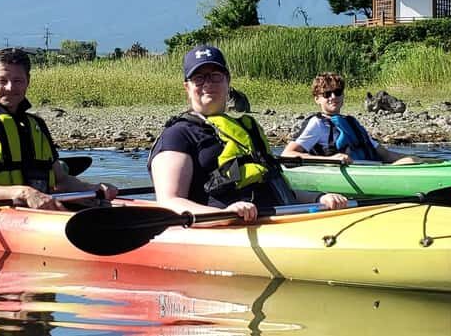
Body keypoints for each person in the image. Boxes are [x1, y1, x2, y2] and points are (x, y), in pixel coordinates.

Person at [147, 45, 348, 221]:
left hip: (275, 218)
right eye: (199, 78)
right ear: (187, 87)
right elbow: (169, 202)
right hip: (226, 226)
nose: (208, 84)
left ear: (227, 81)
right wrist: (223, 215)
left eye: (216, 76)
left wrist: (318, 198)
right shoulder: (177, 136)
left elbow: (275, 183)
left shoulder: (246, 130)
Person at [0, 48, 117, 210]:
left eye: (18, 81)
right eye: (2, 81)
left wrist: (92, 188)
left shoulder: (36, 124)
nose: (10, 87)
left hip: (39, 213)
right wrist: (24, 193)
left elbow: (61, 180)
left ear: (27, 82)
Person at [282, 72, 422, 165]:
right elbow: (287, 154)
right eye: (327, 94)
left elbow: (384, 154)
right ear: (317, 99)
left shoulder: (351, 122)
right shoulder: (317, 123)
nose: (333, 97)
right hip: (341, 173)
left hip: (370, 169)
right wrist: (330, 160)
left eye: (337, 92)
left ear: (342, 95)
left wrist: (419, 161)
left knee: (412, 160)